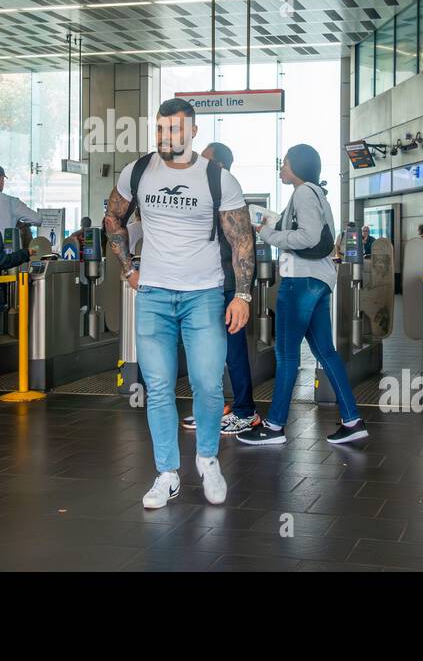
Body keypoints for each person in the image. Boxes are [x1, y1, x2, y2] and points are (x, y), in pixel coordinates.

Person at [103, 98, 254, 510]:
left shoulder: (217, 179)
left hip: (204, 295)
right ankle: (167, 474)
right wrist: (128, 266)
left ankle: (207, 460)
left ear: (192, 132)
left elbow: (242, 239)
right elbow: (112, 218)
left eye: (175, 129)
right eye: (161, 129)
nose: (167, 137)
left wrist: (242, 295)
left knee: (207, 383)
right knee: (158, 388)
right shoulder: (137, 172)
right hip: (152, 295)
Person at [238, 145, 369, 447]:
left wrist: (268, 235)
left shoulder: (303, 193)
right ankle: (352, 420)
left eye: (284, 163)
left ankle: (274, 426)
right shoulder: (318, 194)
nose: (281, 168)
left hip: (300, 281)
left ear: (297, 165)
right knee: (326, 352)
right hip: (318, 281)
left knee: (286, 354)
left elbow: (308, 237)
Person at [180, 141, 260, 436]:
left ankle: (245, 411)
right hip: (206, 284)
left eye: (206, 159)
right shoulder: (205, 193)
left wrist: (242, 294)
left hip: (226, 285)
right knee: (209, 352)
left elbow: (240, 244)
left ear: (220, 166)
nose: (199, 163)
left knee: (234, 352)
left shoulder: (227, 194)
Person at [0, 164, 44, 239]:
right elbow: (37, 219)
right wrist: (23, 224)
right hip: (5, 249)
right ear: (1, 179)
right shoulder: (11, 202)